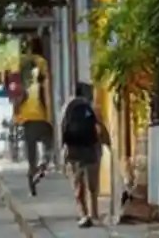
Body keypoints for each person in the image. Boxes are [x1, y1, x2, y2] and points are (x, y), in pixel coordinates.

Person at [60, 84, 108, 228]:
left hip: (74, 150)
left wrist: (63, 150)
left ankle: (83, 214)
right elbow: (100, 129)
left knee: (78, 184)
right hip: (92, 150)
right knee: (93, 185)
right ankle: (94, 213)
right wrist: (107, 143)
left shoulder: (67, 107)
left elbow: (63, 129)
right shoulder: (93, 108)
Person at [13, 36, 52, 195]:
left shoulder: (20, 63)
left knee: (31, 154)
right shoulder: (42, 62)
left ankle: (32, 182)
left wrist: (16, 116)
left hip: (27, 118)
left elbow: (16, 92)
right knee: (49, 146)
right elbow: (46, 86)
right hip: (43, 117)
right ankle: (44, 165)